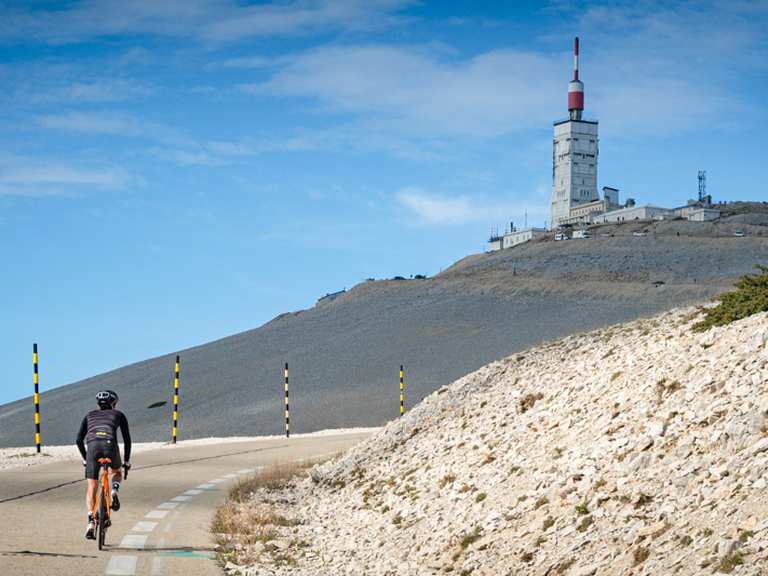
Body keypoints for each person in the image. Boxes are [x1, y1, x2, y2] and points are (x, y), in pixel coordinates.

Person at [76, 390, 131, 540]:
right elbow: (127, 440)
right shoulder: (119, 414)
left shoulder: (89, 415)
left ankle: (91, 522)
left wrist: (85, 458)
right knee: (116, 472)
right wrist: (126, 461)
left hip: (92, 447)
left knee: (92, 485)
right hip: (110, 446)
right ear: (114, 403)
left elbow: (78, 440)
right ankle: (114, 490)